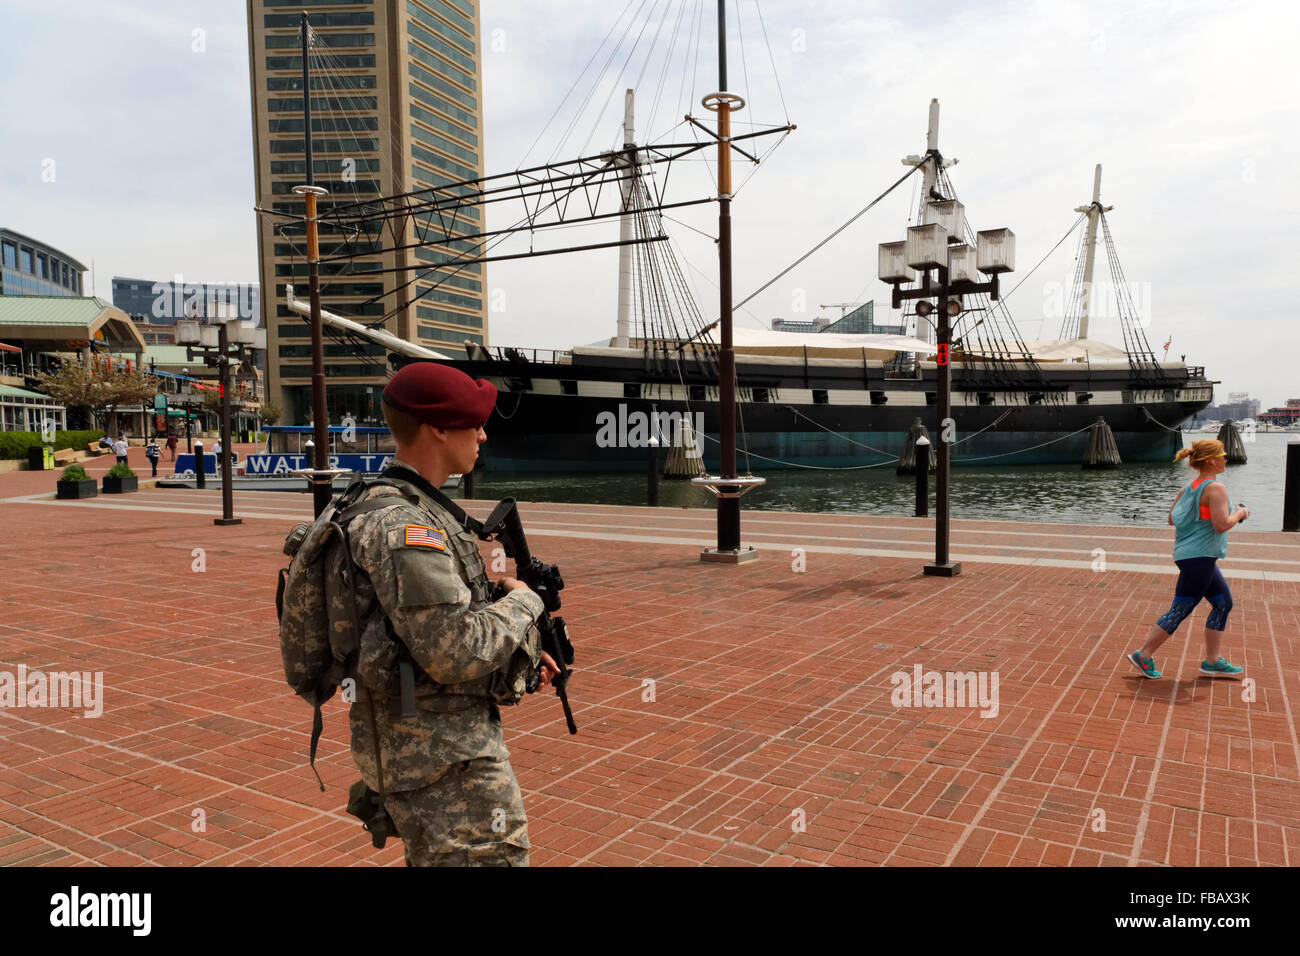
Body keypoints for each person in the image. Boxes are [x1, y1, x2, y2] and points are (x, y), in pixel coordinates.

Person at [340, 362, 560, 866]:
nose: (482, 434)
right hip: (443, 761)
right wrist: (527, 600)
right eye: (472, 422)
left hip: (422, 743)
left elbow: (425, 626)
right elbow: (455, 652)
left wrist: (519, 650)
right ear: (438, 429)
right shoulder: (405, 526)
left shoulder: (402, 505)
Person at [1127, 439, 1249, 680]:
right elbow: (1222, 525)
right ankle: (1144, 654)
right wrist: (1240, 513)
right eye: (1223, 455)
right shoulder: (1216, 489)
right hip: (1199, 558)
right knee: (1180, 609)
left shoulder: (1190, 487)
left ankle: (1212, 661)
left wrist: (1200, 517)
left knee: (1223, 603)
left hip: (1193, 556)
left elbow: (1172, 518)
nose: (1226, 458)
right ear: (1212, 460)